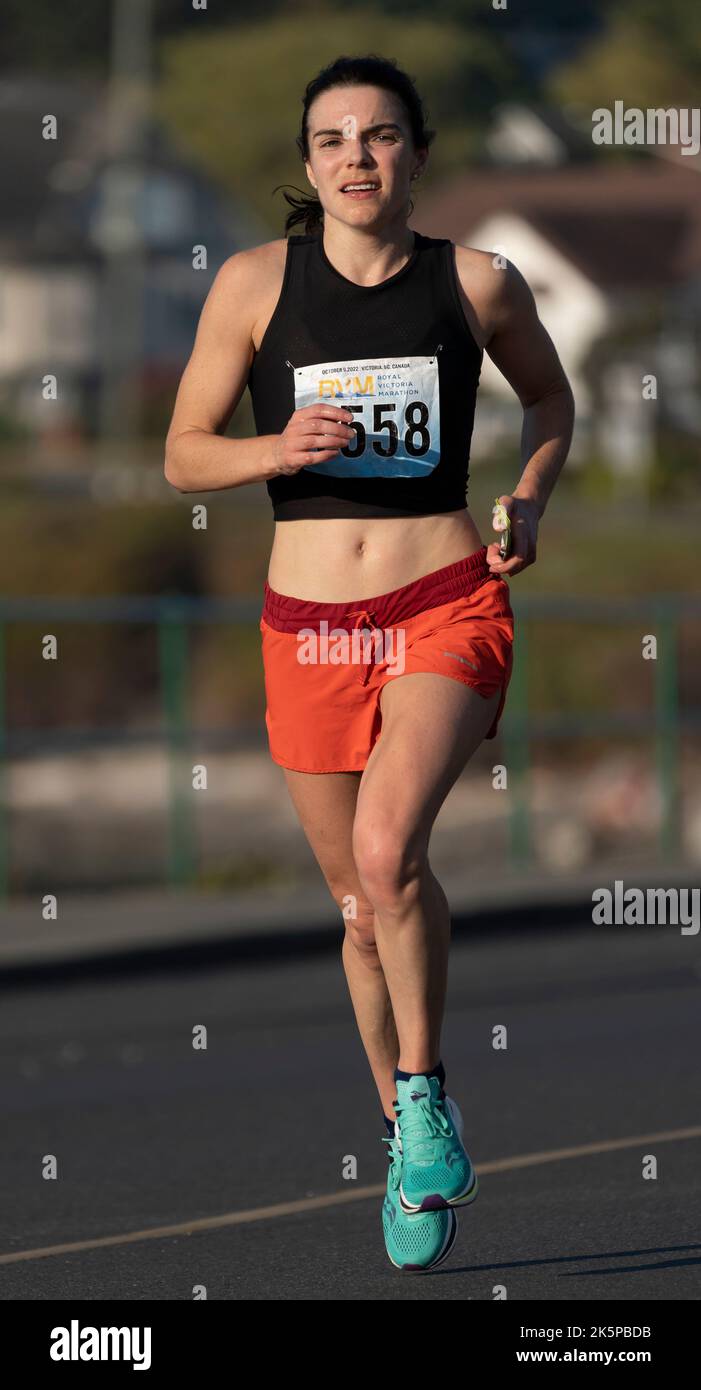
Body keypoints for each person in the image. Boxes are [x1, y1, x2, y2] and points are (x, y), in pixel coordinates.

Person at [164, 54, 574, 1273]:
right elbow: (184, 452)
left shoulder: (476, 282)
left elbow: (549, 405)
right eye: (333, 138)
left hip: (443, 601)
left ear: (417, 154)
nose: (356, 156)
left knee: (394, 854)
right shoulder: (249, 286)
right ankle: (402, 1134)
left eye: (380, 135)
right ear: (307, 165)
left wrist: (528, 497)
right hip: (308, 628)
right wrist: (270, 446)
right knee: (359, 906)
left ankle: (427, 1087)